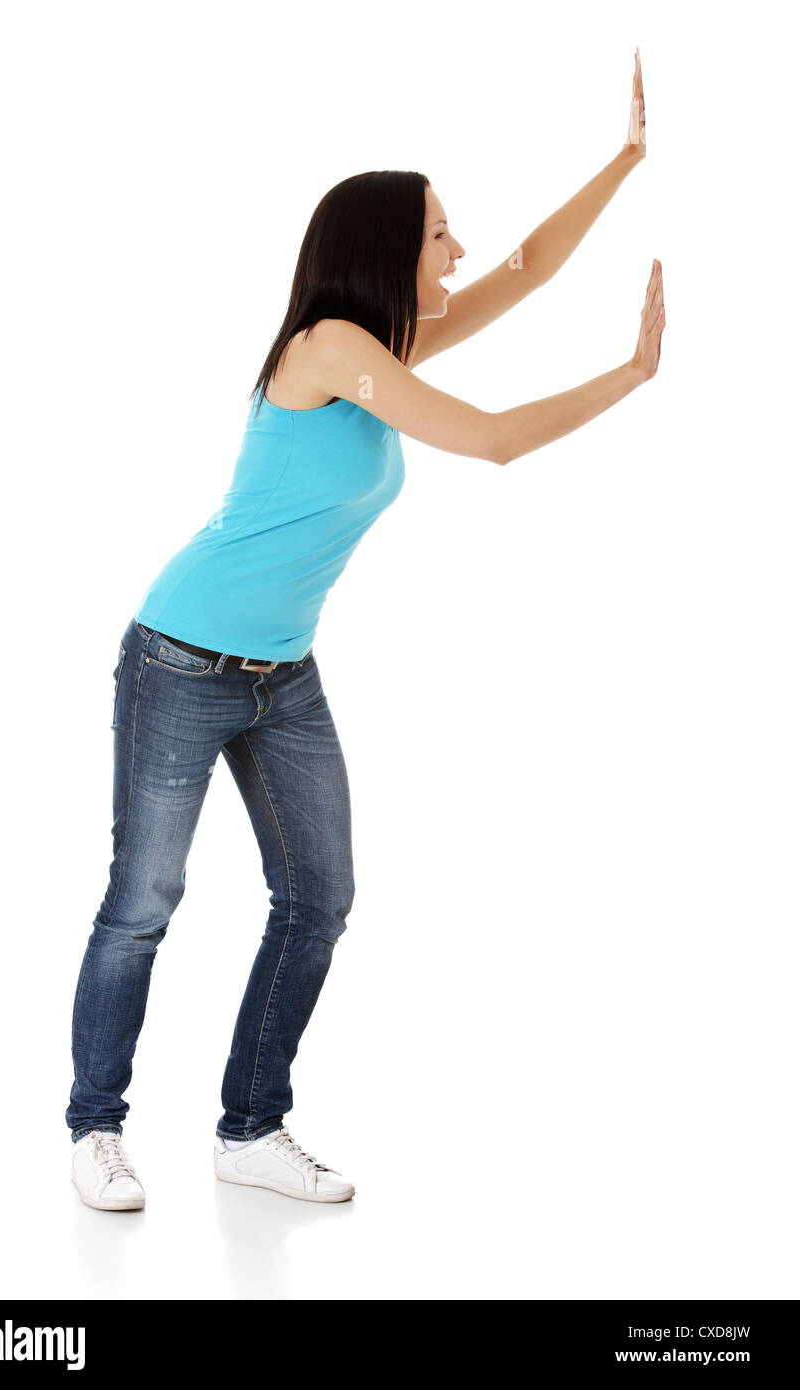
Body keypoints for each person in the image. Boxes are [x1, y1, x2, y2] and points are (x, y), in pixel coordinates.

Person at [66, 52, 664, 1211]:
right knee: (144, 899)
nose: (453, 251)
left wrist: (628, 156)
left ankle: (250, 1127)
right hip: (179, 658)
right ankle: (95, 1130)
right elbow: (490, 440)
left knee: (318, 895)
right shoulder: (335, 348)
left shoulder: (378, 353)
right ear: (384, 247)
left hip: (282, 675)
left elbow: (528, 269)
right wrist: (631, 375)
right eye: (437, 232)